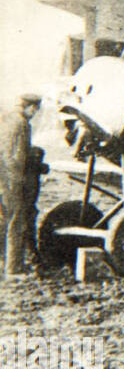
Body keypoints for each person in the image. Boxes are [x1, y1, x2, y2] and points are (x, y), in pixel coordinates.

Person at [0, 93, 41, 279]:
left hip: (3, 178)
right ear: (30, 107)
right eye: (35, 109)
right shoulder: (22, 124)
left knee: (5, 220)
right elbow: (18, 157)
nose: (34, 113)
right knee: (17, 222)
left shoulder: (6, 120)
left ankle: (5, 261)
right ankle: (13, 269)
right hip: (13, 179)